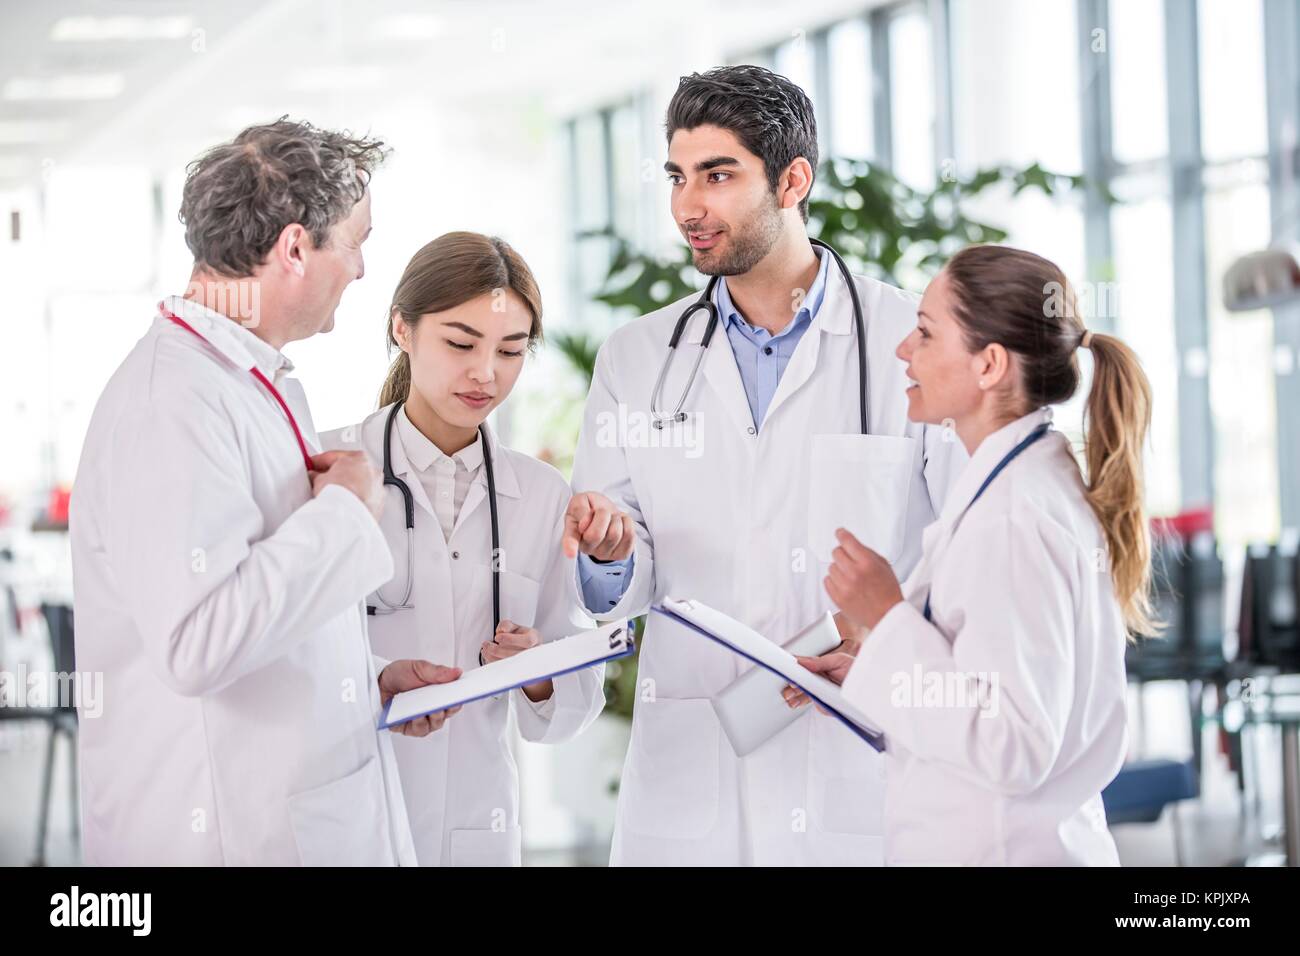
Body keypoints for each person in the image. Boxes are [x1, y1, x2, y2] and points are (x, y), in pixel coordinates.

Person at [564, 65, 961, 866]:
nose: (688, 206)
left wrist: (892, 644)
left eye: (718, 175)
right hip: (692, 763)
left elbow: (961, 544)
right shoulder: (638, 358)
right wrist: (611, 554)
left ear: (792, 181)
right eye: (678, 176)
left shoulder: (904, 342)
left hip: (852, 754)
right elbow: (620, 563)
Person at [70, 119, 456, 866]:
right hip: (226, 833)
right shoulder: (171, 404)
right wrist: (348, 509)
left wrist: (362, 681)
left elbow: (253, 604)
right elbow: (197, 643)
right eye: (356, 240)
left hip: (291, 807)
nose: (365, 268)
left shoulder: (240, 378)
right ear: (293, 249)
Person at [792, 244, 1150, 865]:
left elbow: (1016, 742)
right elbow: (988, 685)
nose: (904, 349)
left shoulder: (1015, 516)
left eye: (927, 333)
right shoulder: (1018, 485)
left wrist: (884, 617)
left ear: (989, 365)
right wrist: (880, 664)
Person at [321, 232, 604, 866]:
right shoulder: (325, 466)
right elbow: (278, 653)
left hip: (477, 828)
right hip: (348, 811)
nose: (486, 373)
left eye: (510, 351)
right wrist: (373, 681)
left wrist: (535, 675)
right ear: (402, 327)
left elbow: (575, 695)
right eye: (460, 342)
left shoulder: (540, 495)